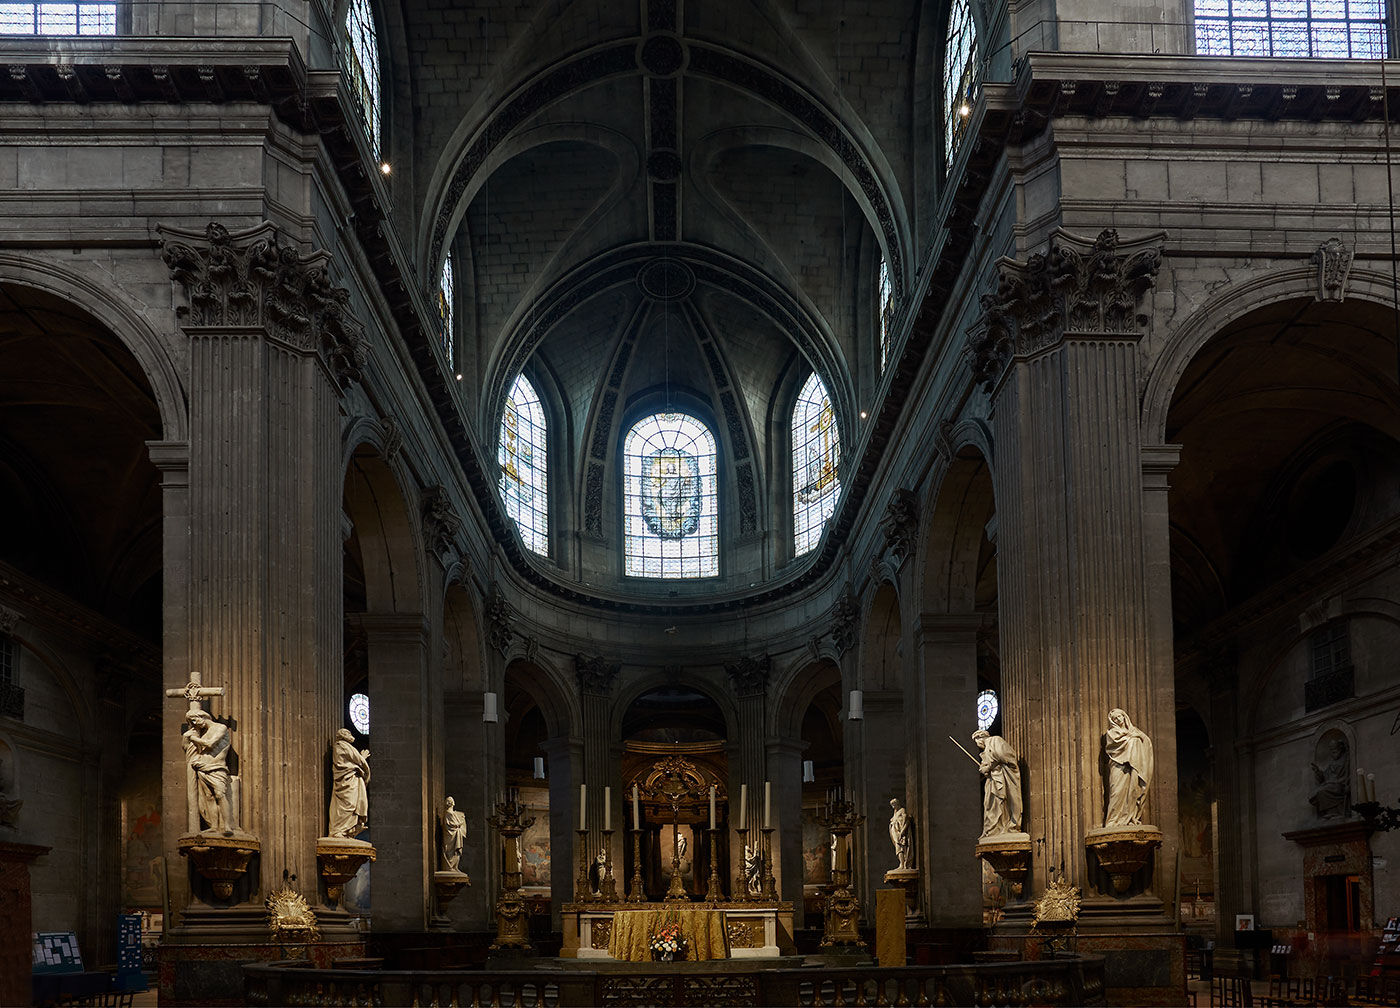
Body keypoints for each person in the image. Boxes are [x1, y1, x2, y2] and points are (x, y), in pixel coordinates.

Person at [183, 709, 232, 834]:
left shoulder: (221, 728)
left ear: (202, 716)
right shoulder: (203, 734)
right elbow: (193, 750)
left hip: (217, 767)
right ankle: (214, 826)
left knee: (220, 794)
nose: (195, 723)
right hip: (203, 767)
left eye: (195, 719)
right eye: (192, 722)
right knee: (208, 797)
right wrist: (186, 738)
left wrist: (193, 738)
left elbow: (210, 744)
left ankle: (227, 826)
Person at [1104, 709, 1154, 827]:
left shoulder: (1134, 731)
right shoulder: (1111, 733)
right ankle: (1113, 821)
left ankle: (1129, 818)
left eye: (1119, 716)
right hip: (1118, 766)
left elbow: (1145, 742)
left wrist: (1137, 737)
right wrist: (1133, 738)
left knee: (1132, 791)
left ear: (1124, 716)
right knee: (1116, 792)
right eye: (1115, 719)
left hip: (1132, 767)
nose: (1118, 720)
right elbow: (1114, 746)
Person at [974, 729, 1023, 837]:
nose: (977, 745)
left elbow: (1003, 756)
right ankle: (994, 829)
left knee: (1000, 801)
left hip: (1002, 778)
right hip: (993, 781)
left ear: (979, 738)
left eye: (976, 742)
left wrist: (988, 767)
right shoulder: (986, 749)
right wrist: (985, 769)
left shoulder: (994, 740)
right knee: (989, 805)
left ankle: (1005, 826)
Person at [329, 728, 371, 838]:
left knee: (354, 803)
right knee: (348, 803)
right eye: (348, 733)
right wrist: (362, 758)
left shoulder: (347, 746)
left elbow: (355, 760)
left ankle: (349, 830)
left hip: (353, 779)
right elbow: (356, 760)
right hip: (346, 780)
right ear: (343, 735)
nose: (351, 735)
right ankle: (339, 830)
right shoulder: (341, 745)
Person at [1308, 739, 1350, 819]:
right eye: (1331, 751)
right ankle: (1331, 812)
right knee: (1317, 792)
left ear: (1340, 749)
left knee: (1322, 791)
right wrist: (1317, 772)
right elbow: (1324, 776)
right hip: (1330, 784)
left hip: (1339, 785)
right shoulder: (1332, 763)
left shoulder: (1346, 759)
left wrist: (1348, 784)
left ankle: (1335, 812)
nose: (1332, 754)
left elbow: (1349, 774)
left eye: (1334, 751)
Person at [440, 796, 466, 872]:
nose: (450, 803)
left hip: (455, 834)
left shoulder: (452, 813)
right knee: (450, 850)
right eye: (449, 801)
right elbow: (453, 824)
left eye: (451, 801)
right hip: (450, 835)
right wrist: (462, 820)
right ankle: (449, 867)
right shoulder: (448, 813)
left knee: (456, 851)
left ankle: (455, 866)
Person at [888, 797, 912, 870]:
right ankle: (901, 863)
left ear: (897, 804)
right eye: (892, 805)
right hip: (895, 832)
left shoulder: (902, 810)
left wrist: (903, 830)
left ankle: (904, 863)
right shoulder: (895, 813)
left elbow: (906, 820)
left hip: (900, 832)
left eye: (894, 805)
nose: (893, 807)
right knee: (898, 847)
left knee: (901, 847)